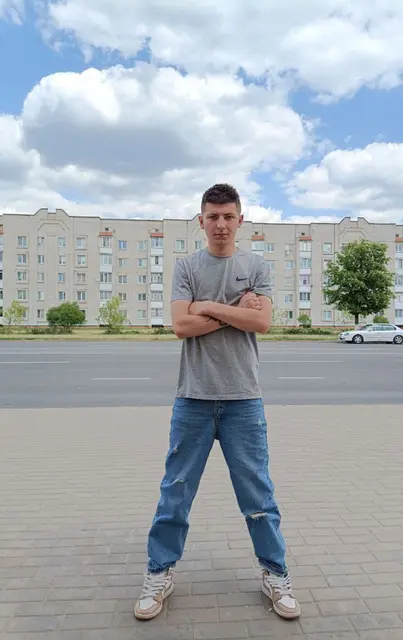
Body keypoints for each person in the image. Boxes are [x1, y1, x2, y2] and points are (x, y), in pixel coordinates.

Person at [134, 183, 300, 621]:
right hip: (193, 398)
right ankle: (159, 571)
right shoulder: (187, 266)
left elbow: (261, 322)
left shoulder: (255, 265)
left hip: (244, 400)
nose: (221, 224)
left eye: (228, 216)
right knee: (175, 492)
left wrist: (205, 308)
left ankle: (275, 573)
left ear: (240, 220)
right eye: (213, 216)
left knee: (258, 494)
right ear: (201, 220)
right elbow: (181, 326)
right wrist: (232, 309)